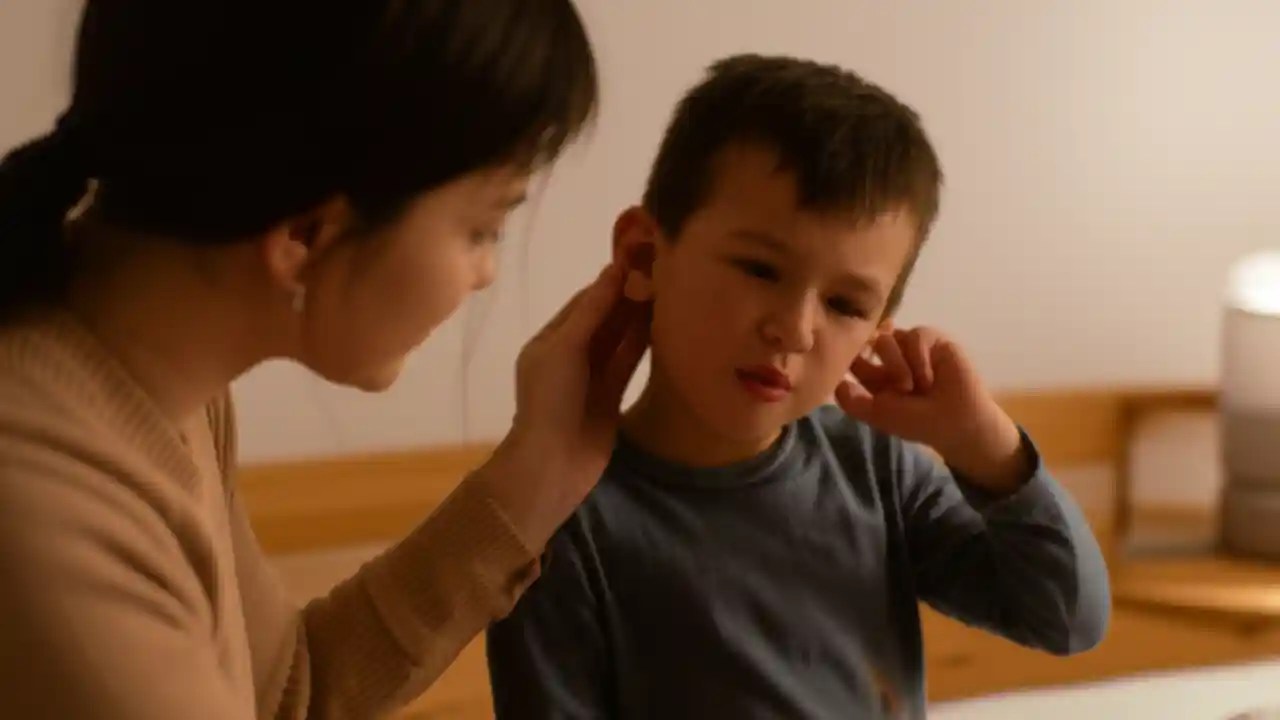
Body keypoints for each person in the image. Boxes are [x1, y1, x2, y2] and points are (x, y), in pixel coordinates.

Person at [0, 1, 650, 718]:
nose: (486, 272)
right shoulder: (40, 497)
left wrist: (538, 473)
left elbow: (286, 692)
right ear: (307, 235)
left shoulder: (164, 383)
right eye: (483, 228)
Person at [486, 54, 1111, 719]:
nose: (793, 329)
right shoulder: (563, 527)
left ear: (875, 329)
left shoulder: (875, 471)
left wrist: (985, 446)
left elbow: (1066, 618)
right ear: (645, 255)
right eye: (759, 268)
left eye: (844, 305)